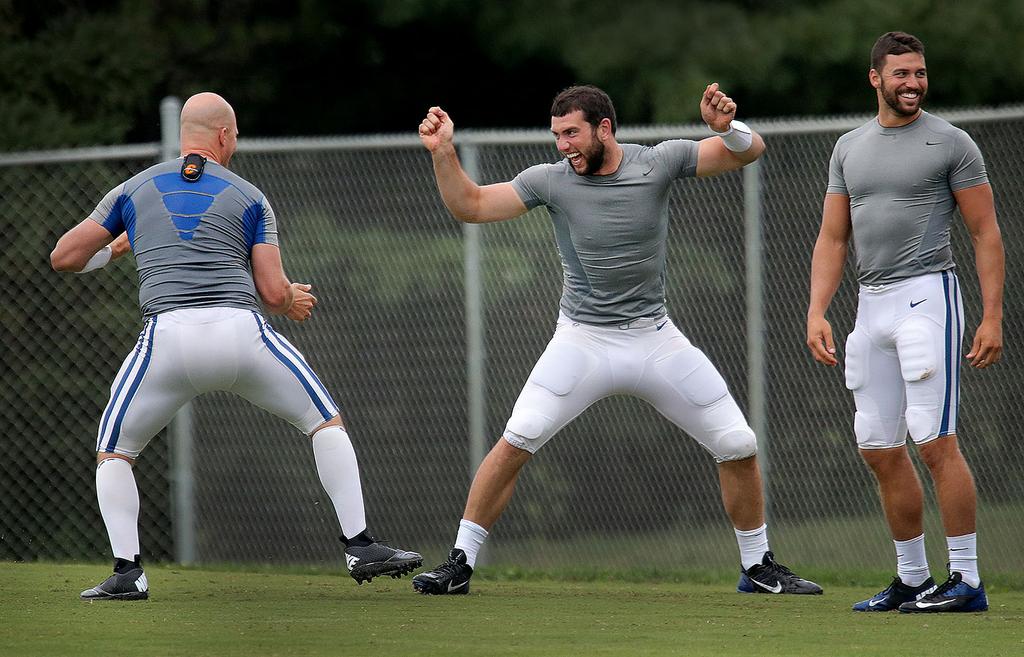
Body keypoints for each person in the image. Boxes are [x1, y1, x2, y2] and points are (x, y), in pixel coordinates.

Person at [412, 84, 822, 596]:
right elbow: (470, 206)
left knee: (738, 443)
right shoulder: (550, 181)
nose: (563, 145)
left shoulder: (658, 162)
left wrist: (727, 129)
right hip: (582, 340)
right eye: (557, 134)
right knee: (519, 436)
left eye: (572, 133)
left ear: (604, 128)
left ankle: (757, 567)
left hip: (654, 338)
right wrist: (444, 153)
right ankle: (459, 564)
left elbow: (749, 151)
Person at [50, 92, 422, 601]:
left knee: (114, 453)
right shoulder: (250, 195)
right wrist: (291, 299)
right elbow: (272, 294)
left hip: (167, 340)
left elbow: (64, 258)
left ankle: (126, 573)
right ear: (224, 135)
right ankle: (360, 545)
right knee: (323, 422)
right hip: (240, 334)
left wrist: (116, 245)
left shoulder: (133, 189)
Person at [807, 32, 1003, 613]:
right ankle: (912, 579)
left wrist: (991, 317)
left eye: (919, 73)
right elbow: (832, 236)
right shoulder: (849, 147)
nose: (913, 83)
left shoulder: (951, 142)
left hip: (928, 298)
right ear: (876, 79)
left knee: (936, 442)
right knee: (877, 446)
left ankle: (965, 579)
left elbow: (985, 232)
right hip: (871, 303)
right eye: (901, 74)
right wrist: (818, 309)